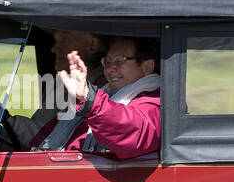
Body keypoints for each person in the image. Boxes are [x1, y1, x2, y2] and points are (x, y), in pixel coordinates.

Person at [29, 37, 161, 158]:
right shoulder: (99, 99)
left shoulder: (154, 103)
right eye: (107, 61)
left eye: (119, 61)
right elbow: (43, 137)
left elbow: (133, 133)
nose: (110, 69)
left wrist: (90, 100)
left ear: (147, 67)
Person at [6, 30, 108, 147]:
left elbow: (55, 139)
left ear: (92, 45)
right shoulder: (59, 84)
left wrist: (12, 122)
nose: (54, 49)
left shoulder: (99, 90)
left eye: (64, 40)